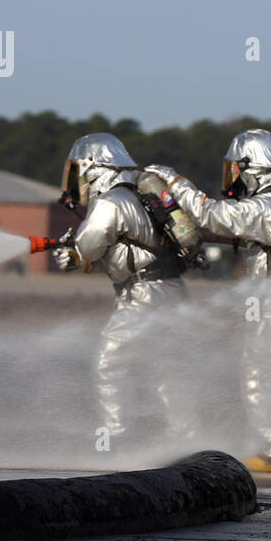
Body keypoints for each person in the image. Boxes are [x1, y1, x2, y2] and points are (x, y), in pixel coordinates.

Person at [144, 129, 271, 473]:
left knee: (260, 375)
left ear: (251, 167)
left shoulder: (267, 206)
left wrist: (174, 182)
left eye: (234, 168)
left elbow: (210, 215)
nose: (231, 175)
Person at [54, 133, 188, 442]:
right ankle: (186, 438)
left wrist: (72, 254)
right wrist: (80, 257)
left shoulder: (111, 202)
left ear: (94, 168)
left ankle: (118, 439)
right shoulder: (134, 195)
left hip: (145, 294)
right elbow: (120, 254)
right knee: (166, 371)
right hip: (166, 289)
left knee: (109, 363)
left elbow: (88, 247)